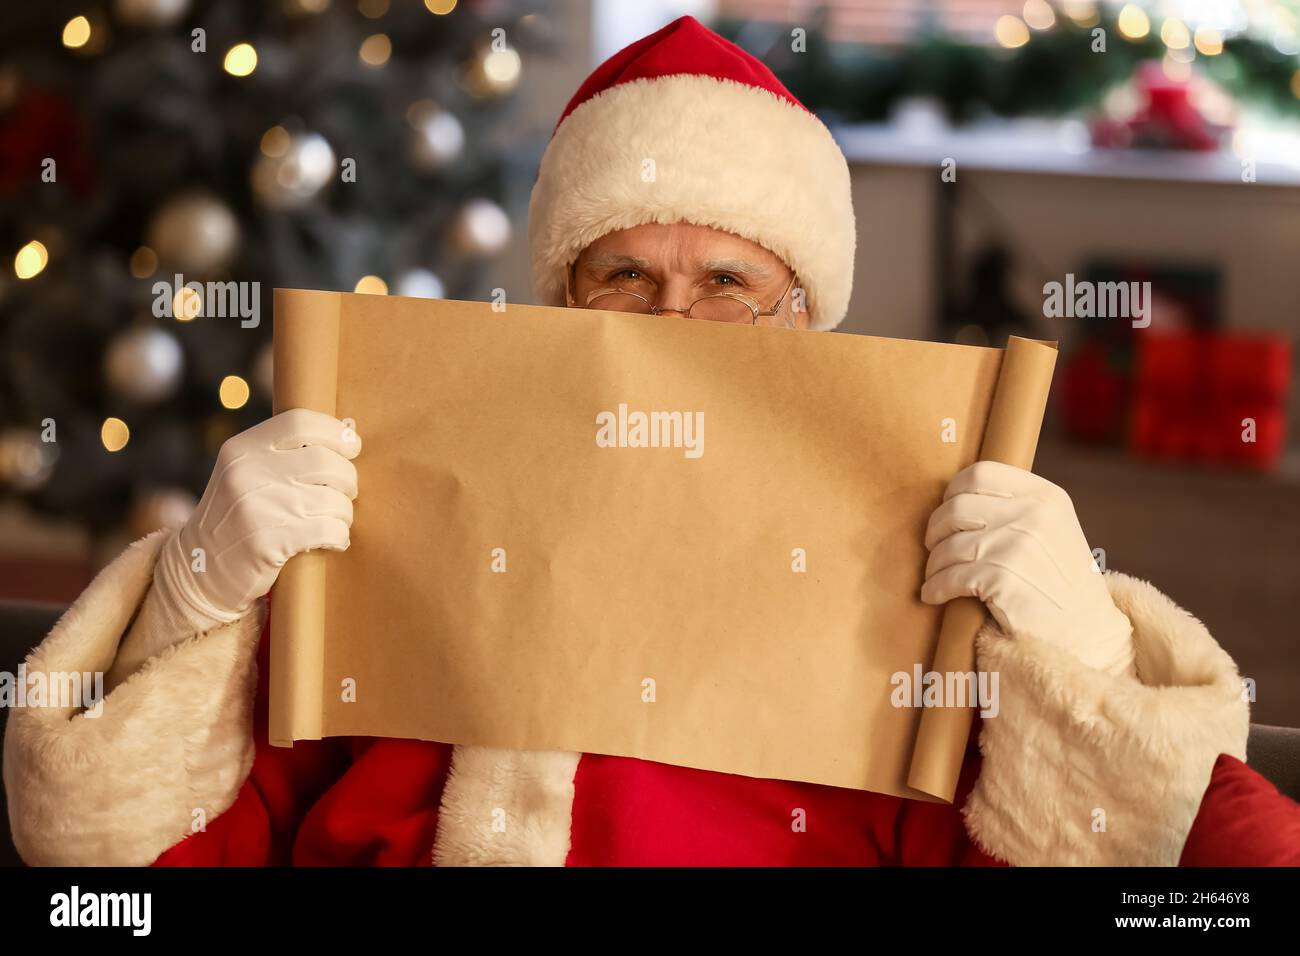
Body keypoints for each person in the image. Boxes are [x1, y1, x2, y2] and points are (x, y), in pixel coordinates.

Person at [6, 16, 1298, 867]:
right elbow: (114, 861)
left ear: (804, 319)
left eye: (730, 281)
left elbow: (1207, 871)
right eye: (623, 274)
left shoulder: (917, 581)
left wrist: (1077, 651)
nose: (675, 316)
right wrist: (196, 597)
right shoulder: (399, 505)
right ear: (565, 302)